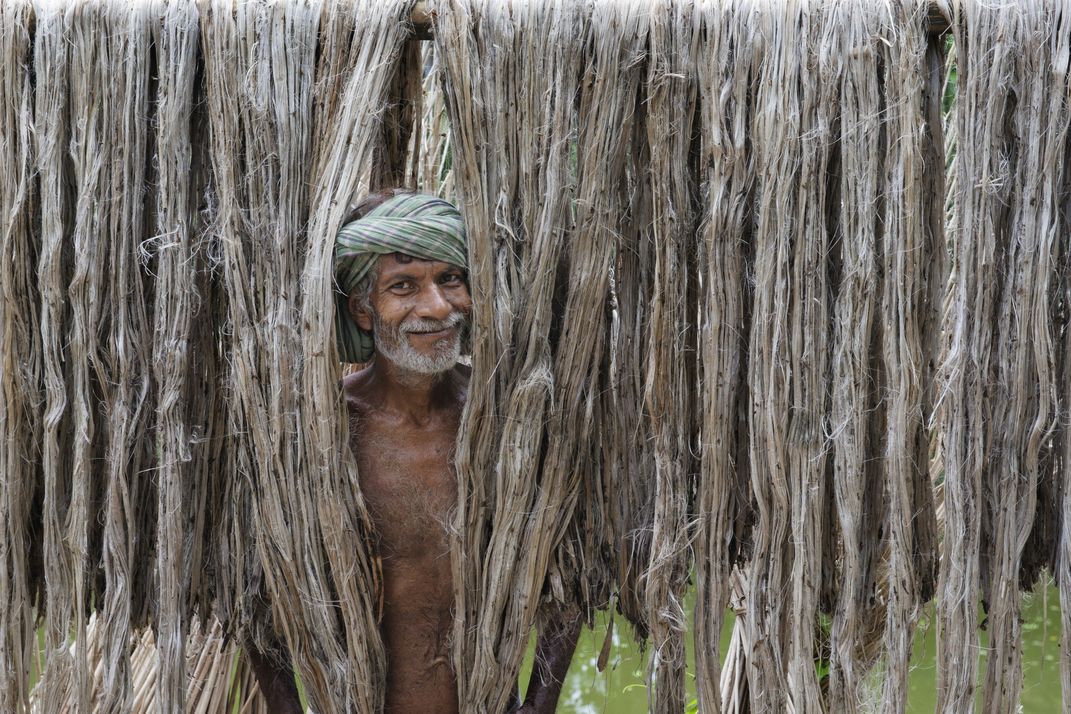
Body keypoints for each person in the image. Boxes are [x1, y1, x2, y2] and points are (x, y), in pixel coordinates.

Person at [248, 189, 581, 713]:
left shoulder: (502, 421)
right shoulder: (319, 438)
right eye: (403, 286)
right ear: (362, 310)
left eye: (450, 278)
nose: (438, 307)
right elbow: (256, 601)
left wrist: (537, 707)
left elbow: (566, 581)